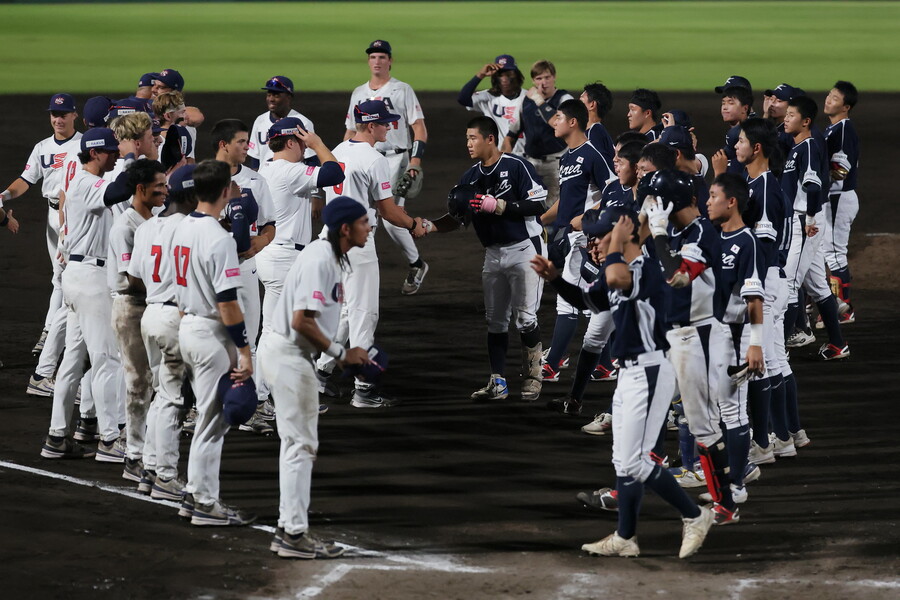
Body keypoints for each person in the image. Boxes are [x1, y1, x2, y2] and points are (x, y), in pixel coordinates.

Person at [531, 206, 715, 558]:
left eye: (600, 237)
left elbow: (617, 278)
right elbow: (589, 300)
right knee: (623, 460)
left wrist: (616, 242)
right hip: (632, 373)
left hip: (651, 371)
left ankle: (694, 515)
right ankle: (625, 537)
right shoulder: (615, 268)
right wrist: (555, 277)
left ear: (620, 236)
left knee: (636, 462)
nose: (594, 245)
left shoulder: (642, 269)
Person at [260, 197, 372, 559]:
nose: (369, 228)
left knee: (295, 444)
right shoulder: (320, 259)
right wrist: (341, 354)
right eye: (364, 222)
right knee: (301, 446)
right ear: (345, 229)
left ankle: (288, 528)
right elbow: (302, 320)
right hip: (289, 357)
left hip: (290, 355)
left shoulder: (329, 256)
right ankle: (293, 534)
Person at [642, 169, 741, 524]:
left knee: (703, 425)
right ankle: (627, 490)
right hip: (671, 337)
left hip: (696, 338)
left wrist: (657, 234)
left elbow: (678, 277)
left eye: (655, 202)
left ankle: (726, 503)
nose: (650, 208)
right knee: (642, 411)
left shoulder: (701, 233)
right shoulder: (674, 232)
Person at [428, 116, 547, 403]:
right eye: (467, 138)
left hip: (525, 249)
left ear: (490, 139)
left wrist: (502, 205)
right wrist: (429, 226)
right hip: (493, 253)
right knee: (495, 321)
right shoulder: (469, 177)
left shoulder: (516, 166)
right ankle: (498, 382)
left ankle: (533, 376)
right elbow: (458, 216)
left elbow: (538, 203)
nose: (468, 144)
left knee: (525, 319)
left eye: (473, 138)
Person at [318, 100, 427, 407]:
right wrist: (414, 224)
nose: (390, 127)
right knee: (364, 313)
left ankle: (320, 373)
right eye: (385, 123)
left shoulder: (337, 150)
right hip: (357, 244)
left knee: (345, 311)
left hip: (330, 241)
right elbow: (389, 211)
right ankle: (364, 389)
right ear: (370, 125)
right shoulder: (374, 159)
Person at [40, 127, 137, 461]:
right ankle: (110, 439)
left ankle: (57, 436)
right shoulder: (85, 182)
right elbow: (120, 190)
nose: (114, 156)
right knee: (106, 359)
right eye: (110, 151)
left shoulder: (83, 181)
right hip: (91, 279)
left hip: (79, 276)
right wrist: (130, 156)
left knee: (73, 362)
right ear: (95, 153)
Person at [172, 159, 256, 526]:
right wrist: (245, 350)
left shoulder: (181, 228)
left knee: (206, 415)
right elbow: (227, 303)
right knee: (212, 421)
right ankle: (205, 503)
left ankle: (193, 495)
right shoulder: (220, 239)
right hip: (211, 334)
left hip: (188, 326)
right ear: (225, 191)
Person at [256, 117, 345, 399]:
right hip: (283, 257)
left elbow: (318, 171)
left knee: (273, 329)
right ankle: (266, 395)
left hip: (271, 253)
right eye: (302, 142)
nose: (305, 148)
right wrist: (318, 143)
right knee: (282, 331)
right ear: (291, 142)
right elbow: (335, 173)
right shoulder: (289, 172)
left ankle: (265, 394)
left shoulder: (267, 167)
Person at [126, 164, 198, 500]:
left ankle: (150, 469)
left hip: (151, 313)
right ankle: (166, 477)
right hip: (174, 318)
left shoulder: (146, 227)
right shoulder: (190, 227)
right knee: (174, 399)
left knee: (161, 393)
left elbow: (134, 277)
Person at [734, 118, 800, 465]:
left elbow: (761, 248)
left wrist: (751, 290)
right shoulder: (760, 185)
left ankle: (769, 440)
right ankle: (784, 436)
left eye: (741, 141)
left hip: (764, 280)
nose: (736, 146)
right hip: (772, 278)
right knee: (773, 361)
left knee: (761, 362)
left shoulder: (762, 190)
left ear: (756, 148)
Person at [2, 94, 82, 371]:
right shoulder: (42, 147)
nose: (58, 119)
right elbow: (26, 179)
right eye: (54, 114)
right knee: (59, 276)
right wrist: (4, 195)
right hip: (52, 216)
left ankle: (53, 332)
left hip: (77, 215)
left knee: (72, 275)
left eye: (63, 114)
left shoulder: (84, 144)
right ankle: (51, 333)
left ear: (74, 115)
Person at [539, 100, 614, 393]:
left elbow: (611, 193)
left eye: (558, 116)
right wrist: (541, 218)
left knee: (568, 301)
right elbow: (566, 200)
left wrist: (585, 220)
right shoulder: (567, 157)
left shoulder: (591, 154)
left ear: (573, 122)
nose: (554, 121)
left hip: (583, 238)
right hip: (567, 236)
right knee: (589, 303)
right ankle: (605, 363)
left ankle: (552, 364)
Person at [343, 40, 430, 295]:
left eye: (382, 56)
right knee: (362, 212)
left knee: (390, 216)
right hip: (364, 157)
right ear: (368, 61)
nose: (377, 61)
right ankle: (354, 266)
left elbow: (419, 128)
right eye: (373, 57)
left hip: (396, 159)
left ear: (390, 61)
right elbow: (350, 130)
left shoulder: (402, 89)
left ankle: (416, 264)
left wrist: (415, 161)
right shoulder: (358, 93)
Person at [211, 118, 277, 431]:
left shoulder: (255, 179)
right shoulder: (202, 177)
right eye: (240, 141)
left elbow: (269, 224)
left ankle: (248, 406)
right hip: (211, 271)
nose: (247, 146)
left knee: (248, 338)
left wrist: (261, 242)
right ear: (223, 145)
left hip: (245, 268)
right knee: (210, 338)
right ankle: (202, 406)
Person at [706, 173, 767, 505]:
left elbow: (754, 299)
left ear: (731, 202)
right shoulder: (713, 236)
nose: (708, 202)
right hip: (713, 333)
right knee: (716, 409)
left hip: (736, 335)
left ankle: (737, 483)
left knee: (733, 412)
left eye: (714, 196)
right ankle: (735, 471)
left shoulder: (747, 241)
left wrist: (755, 344)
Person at [108, 158, 167, 484]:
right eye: (159, 186)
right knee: (138, 383)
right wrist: (168, 287)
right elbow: (132, 278)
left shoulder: (154, 221)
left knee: (157, 381)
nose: (165, 191)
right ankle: (133, 455)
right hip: (131, 308)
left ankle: (149, 451)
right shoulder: (125, 227)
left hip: (150, 306)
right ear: (141, 189)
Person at [780, 96, 849, 360]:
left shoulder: (807, 146)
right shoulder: (798, 146)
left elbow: (812, 185)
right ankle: (838, 345)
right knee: (818, 286)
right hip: (805, 220)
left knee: (788, 283)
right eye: (786, 114)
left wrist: (809, 219)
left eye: (791, 115)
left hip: (804, 223)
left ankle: (779, 351)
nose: (786, 119)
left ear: (806, 121)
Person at [501, 60, 573, 208]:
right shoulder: (526, 102)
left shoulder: (564, 100)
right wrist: (504, 160)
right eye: (539, 78)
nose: (543, 83)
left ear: (554, 77)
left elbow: (557, 123)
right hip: (530, 164)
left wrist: (539, 100)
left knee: (551, 208)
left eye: (547, 77)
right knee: (525, 205)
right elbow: (511, 135)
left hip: (555, 164)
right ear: (533, 81)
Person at [821, 80, 860, 318]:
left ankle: (843, 310)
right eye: (829, 95)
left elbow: (841, 169)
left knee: (834, 254)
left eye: (835, 98)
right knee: (826, 252)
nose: (828, 100)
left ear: (846, 107)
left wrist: (816, 172)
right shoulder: (832, 129)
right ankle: (831, 305)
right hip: (834, 197)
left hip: (838, 197)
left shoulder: (843, 128)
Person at [457, 54, 526, 154]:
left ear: (516, 75)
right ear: (495, 77)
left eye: (508, 74)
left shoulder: (528, 97)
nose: (504, 79)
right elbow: (463, 99)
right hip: (498, 156)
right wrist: (481, 75)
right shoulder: (488, 97)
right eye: (500, 75)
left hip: (526, 155)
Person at [248, 76, 316, 169]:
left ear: (289, 97)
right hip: (265, 175)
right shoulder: (260, 120)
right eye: (269, 95)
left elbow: (311, 159)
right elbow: (255, 158)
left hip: (292, 175)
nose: (271, 99)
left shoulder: (303, 122)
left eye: (276, 95)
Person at [711, 81, 754, 176]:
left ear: (745, 108)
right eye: (723, 103)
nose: (725, 108)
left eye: (731, 103)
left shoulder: (745, 132)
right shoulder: (736, 130)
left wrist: (719, 174)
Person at [580, 82, 615, 164]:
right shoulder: (595, 131)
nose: (577, 105)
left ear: (592, 105)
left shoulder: (594, 133)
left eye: (581, 101)